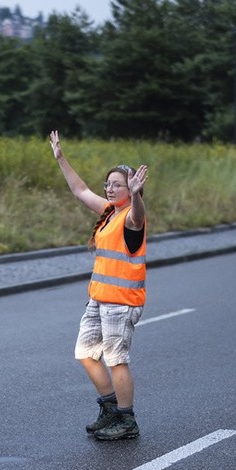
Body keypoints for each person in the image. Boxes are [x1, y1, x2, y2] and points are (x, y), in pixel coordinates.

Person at [49, 130, 148, 441]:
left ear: (130, 189)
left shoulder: (132, 218)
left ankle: (127, 419)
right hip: (99, 299)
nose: (109, 188)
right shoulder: (109, 212)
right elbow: (80, 190)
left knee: (116, 359)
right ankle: (109, 408)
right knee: (86, 353)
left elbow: (138, 217)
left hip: (122, 301)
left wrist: (136, 195)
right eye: (108, 183)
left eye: (116, 184)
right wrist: (61, 159)